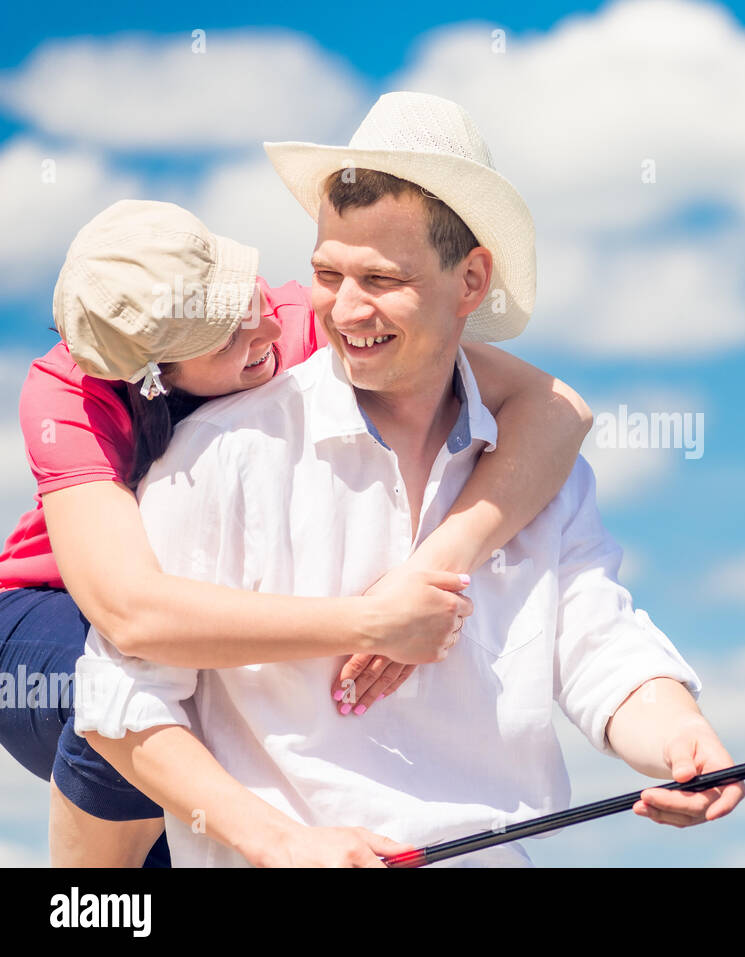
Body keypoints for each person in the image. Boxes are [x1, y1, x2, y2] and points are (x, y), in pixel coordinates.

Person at [74, 91, 745, 867]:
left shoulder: (546, 476)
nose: (346, 308)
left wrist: (678, 734)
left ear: (471, 281)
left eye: (382, 279)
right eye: (328, 272)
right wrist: (281, 842)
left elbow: (599, 644)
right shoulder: (218, 454)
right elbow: (119, 707)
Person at [0, 197, 595, 867]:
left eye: (244, 295)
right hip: (43, 616)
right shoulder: (66, 394)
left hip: (190, 599)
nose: (261, 329)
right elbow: (131, 613)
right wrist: (369, 623)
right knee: (117, 684)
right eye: (224, 339)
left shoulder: (303, 322)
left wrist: (435, 560)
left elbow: (558, 411)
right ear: (155, 381)